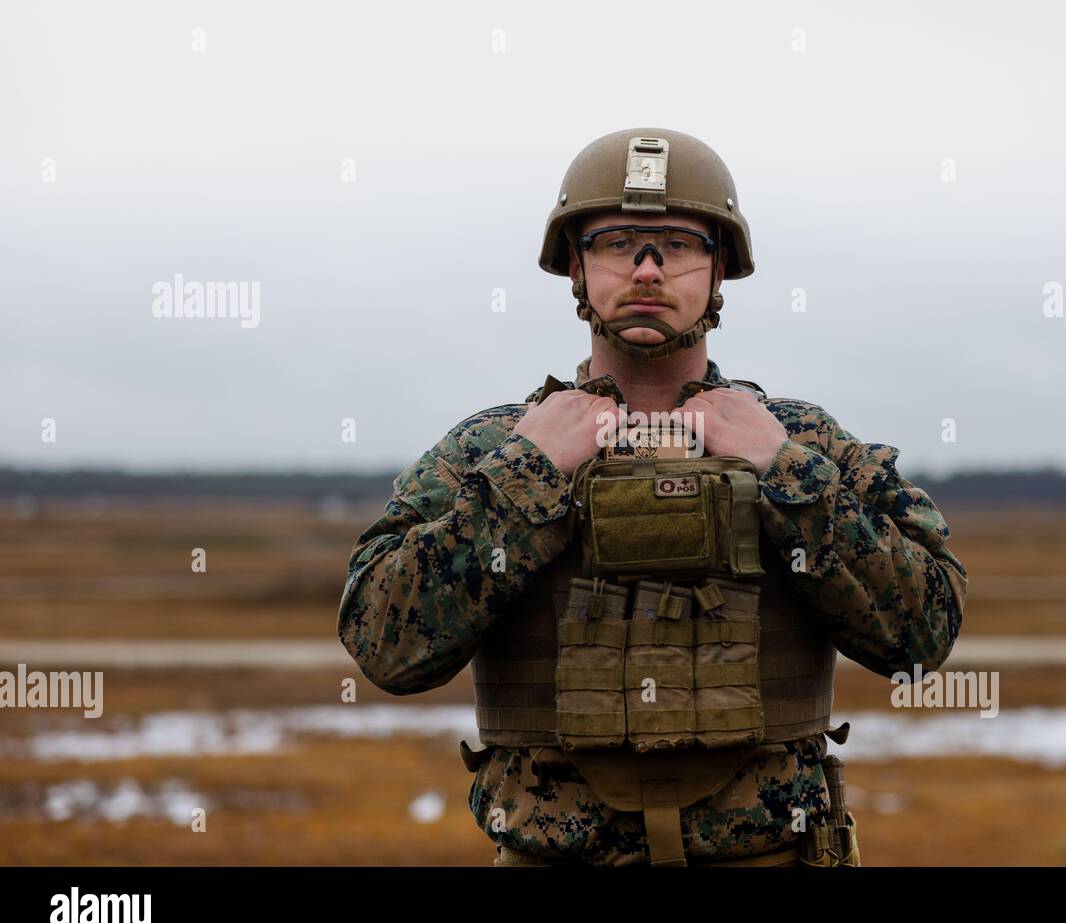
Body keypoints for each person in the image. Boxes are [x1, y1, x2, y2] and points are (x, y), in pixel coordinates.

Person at [337, 127, 968, 866]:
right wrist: (528, 476)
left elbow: (925, 634)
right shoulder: (497, 449)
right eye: (616, 242)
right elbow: (382, 642)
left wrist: (785, 471)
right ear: (575, 266)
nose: (646, 269)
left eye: (675, 245)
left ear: (719, 270)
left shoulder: (798, 440)